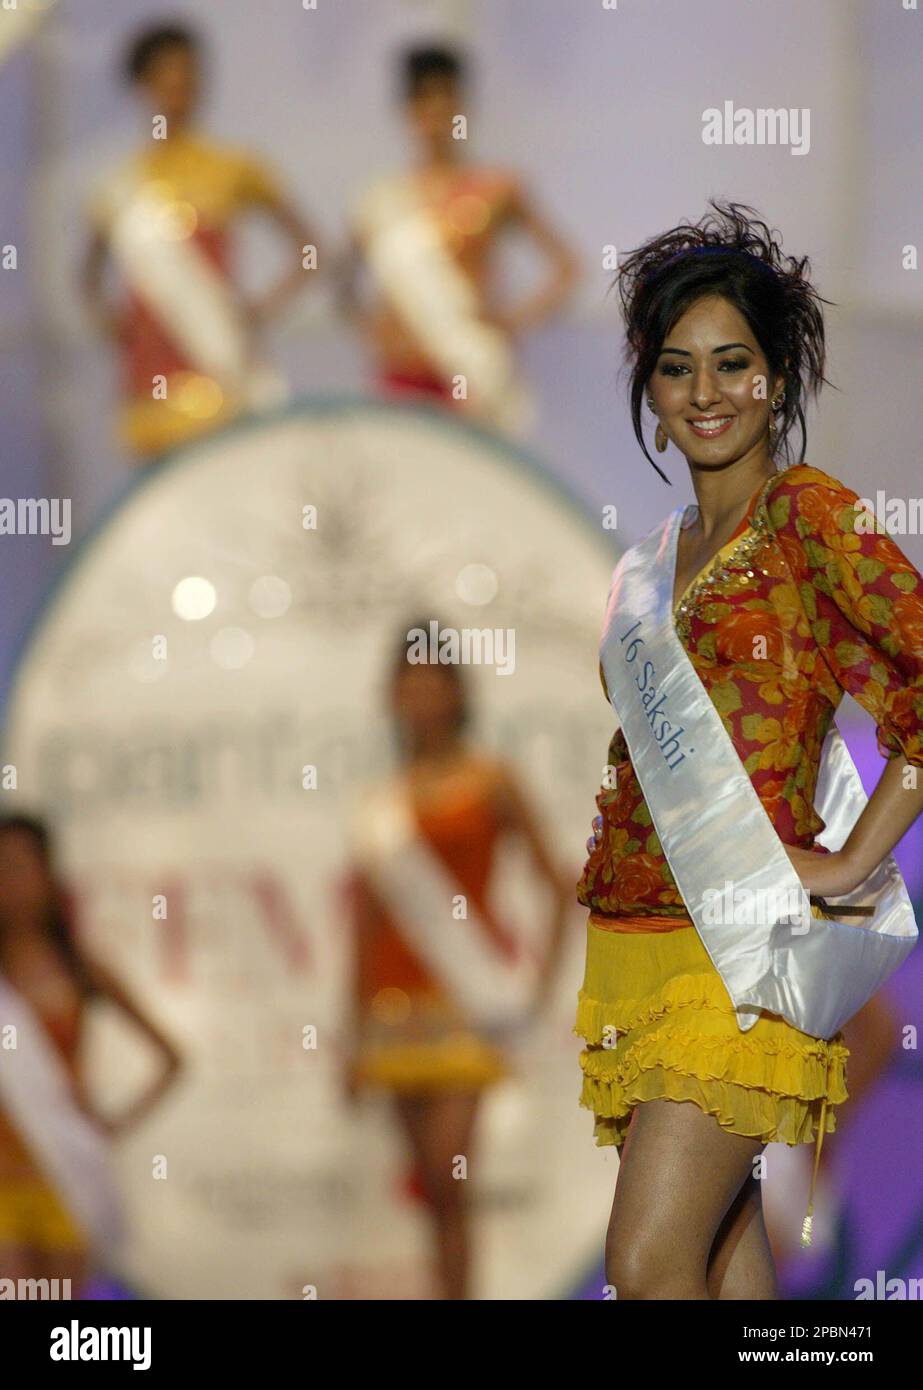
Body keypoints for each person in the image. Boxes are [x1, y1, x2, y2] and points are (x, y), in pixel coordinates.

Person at [574, 201, 923, 1300]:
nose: (706, 391)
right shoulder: (650, 561)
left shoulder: (811, 517)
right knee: (724, 1263)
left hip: (738, 945)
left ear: (775, 375)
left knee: (644, 1261)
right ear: (650, 391)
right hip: (632, 941)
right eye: (677, 369)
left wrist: (860, 856)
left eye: (732, 362)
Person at [343, 620, 573, 1299]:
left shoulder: (491, 779)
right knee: (429, 1186)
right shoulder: (380, 803)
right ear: (390, 698)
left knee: (451, 1171)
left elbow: (556, 886)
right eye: (405, 687)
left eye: (430, 685)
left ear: (455, 694)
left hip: (468, 1003)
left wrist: (537, 989)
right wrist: (351, 1032)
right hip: (392, 1007)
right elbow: (363, 923)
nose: (418, 700)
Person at [82, 22, 321, 460]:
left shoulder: (233, 167)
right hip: (149, 393)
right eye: (165, 76)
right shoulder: (119, 186)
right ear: (143, 86)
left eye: (188, 74)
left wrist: (260, 310)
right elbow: (88, 279)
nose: (178, 87)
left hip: (222, 384)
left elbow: (309, 250)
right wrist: (115, 325)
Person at [341, 45, 579, 432]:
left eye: (446, 97)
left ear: (464, 105)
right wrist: (373, 330)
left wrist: (512, 322)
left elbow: (567, 268)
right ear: (407, 109)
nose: (436, 112)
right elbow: (342, 282)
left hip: (471, 374)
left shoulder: (497, 188)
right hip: (402, 375)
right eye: (424, 99)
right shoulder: (381, 200)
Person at [0, 814, 182, 1292]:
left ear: (47, 874)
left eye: (21, 866)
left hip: (66, 1170)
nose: (10, 882)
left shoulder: (80, 967)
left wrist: (113, 1122)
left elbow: (171, 1057)